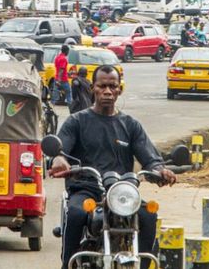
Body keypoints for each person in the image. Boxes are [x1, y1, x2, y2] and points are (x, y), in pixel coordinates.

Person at [50, 65, 176, 269]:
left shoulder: (131, 125)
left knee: (148, 215)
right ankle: (67, 264)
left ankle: (144, 264)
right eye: (102, 86)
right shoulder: (77, 121)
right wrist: (58, 158)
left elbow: (150, 158)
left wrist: (160, 171)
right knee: (75, 213)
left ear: (119, 89)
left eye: (112, 86)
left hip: (122, 193)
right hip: (87, 189)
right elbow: (60, 149)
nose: (107, 91)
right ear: (92, 88)